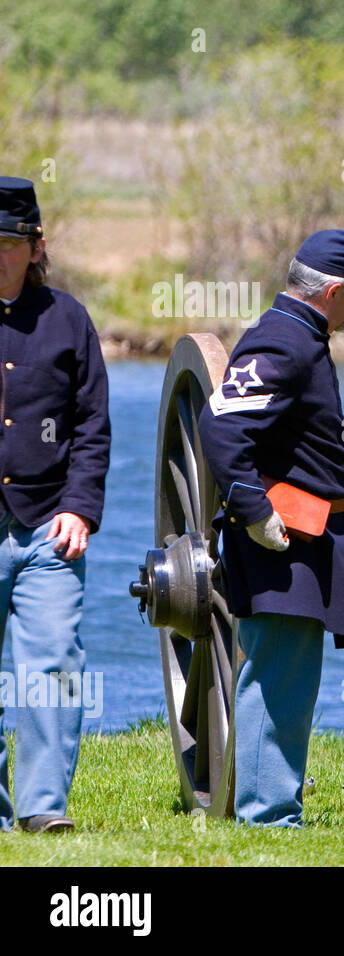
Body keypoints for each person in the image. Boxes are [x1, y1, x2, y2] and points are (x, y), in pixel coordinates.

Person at [197, 228, 344, 827]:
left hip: (303, 538)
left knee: (290, 679)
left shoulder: (298, 335)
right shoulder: (285, 342)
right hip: (283, 539)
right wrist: (253, 512)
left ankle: (273, 808)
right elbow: (222, 426)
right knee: (278, 679)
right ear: (334, 289)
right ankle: (268, 816)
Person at [0, 176, 111, 834]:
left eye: (11, 242)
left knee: (52, 667)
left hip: (49, 527)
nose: (0, 253)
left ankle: (42, 809)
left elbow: (92, 425)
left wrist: (80, 507)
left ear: (37, 247)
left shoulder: (69, 320)